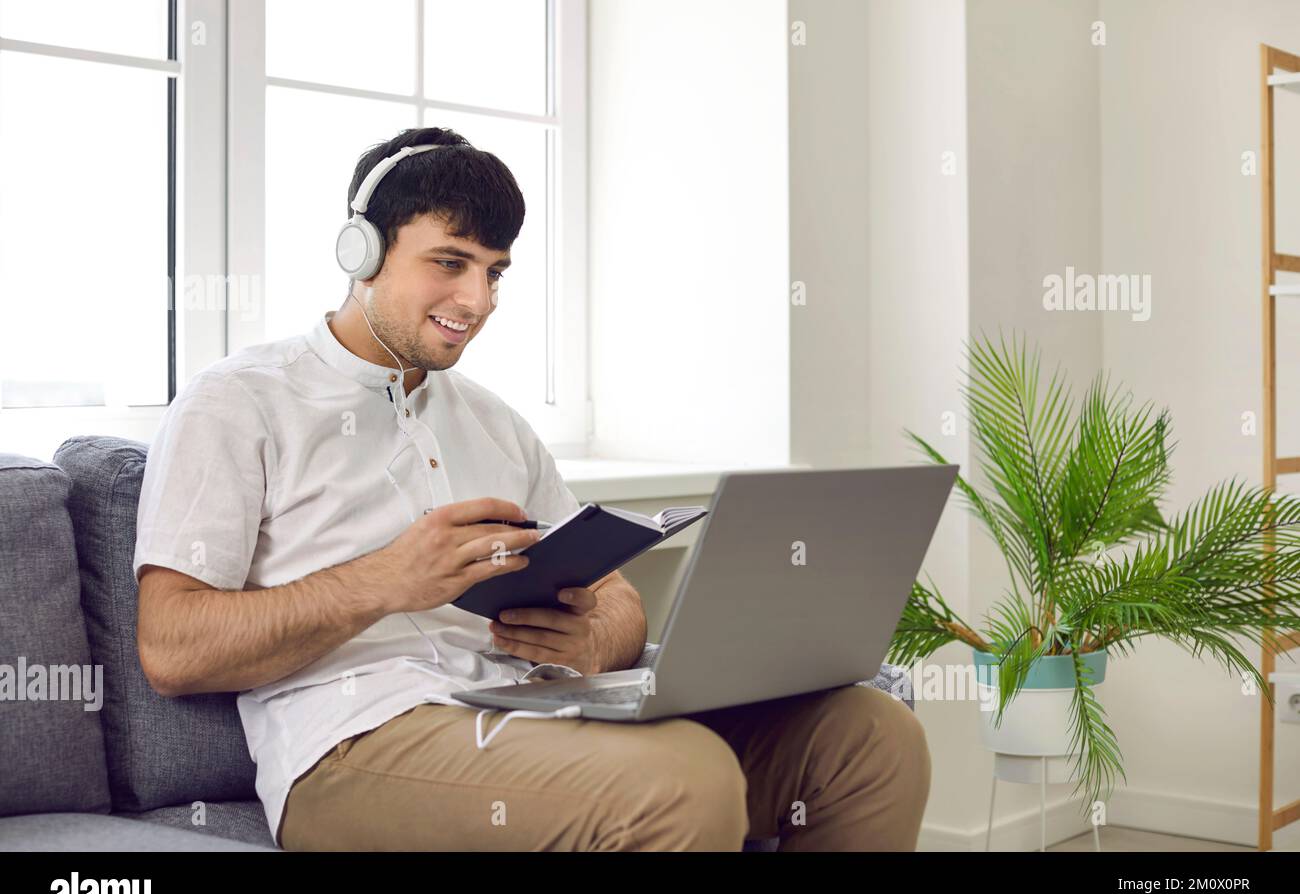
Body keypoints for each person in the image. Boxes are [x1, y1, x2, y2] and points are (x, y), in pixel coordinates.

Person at [133, 126, 931, 851]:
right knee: (681, 779)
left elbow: (617, 600)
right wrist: (382, 582)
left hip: (530, 710)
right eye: (449, 263)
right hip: (354, 745)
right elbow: (170, 648)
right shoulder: (239, 401)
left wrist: (597, 637)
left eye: (494, 273)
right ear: (362, 251)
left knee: (869, 736)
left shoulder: (494, 422)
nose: (475, 303)